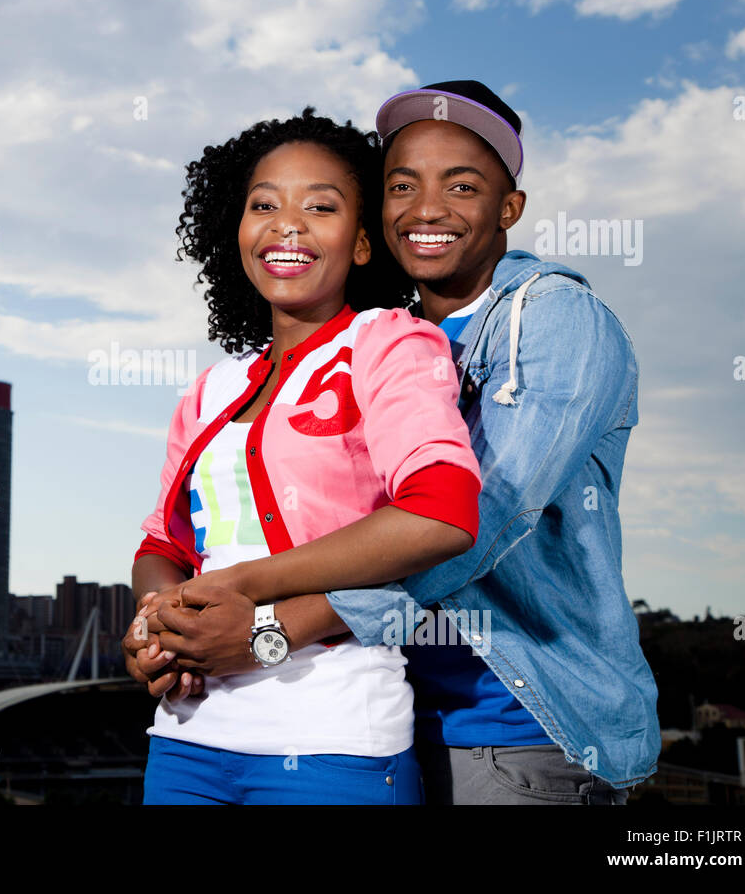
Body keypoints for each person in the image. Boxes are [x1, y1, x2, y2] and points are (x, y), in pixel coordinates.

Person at [135, 81, 661, 804]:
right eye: (402, 186)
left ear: (509, 208)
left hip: (520, 722)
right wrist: (168, 626)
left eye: (462, 186)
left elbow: (476, 525)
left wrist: (266, 628)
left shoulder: (556, 321)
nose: (427, 210)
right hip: (404, 710)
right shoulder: (386, 340)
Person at [126, 108, 483, 804]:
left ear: (360, 244)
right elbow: (162, 542)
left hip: (331, 743)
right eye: (265, 205)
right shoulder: (211, 387)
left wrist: (245, 594)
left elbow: (440, 514)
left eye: (320, 206)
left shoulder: (389, 344)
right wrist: (155, 623)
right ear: (237, 230)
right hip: (186, 741)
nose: (287, 223)